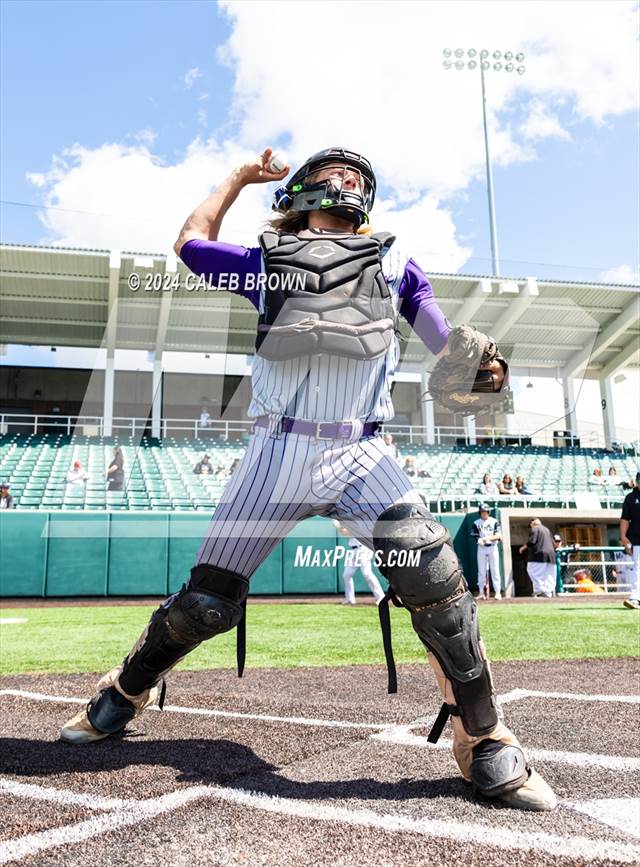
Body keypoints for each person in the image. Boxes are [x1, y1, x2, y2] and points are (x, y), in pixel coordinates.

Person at [60, 145, 554, 811]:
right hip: (275, 450)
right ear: (297, 195)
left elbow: (445, 342)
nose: (347, 179)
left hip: (362, 452)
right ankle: (125, 687)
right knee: (205, 603)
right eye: (332, 172)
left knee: (436, 582)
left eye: (356, 176)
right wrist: (236, 176)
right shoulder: (265, 260)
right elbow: (189, 244)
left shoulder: (394, 261)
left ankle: (482, 734)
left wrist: (477, 367)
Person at [336, 522, 385, 605]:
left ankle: (381, 597)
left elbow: (347, 532)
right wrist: (340, 526)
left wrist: (339, 526)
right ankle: (350, 599)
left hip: (364, 549)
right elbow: (345, 533)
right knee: (347, 575)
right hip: (354, 550)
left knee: (367, 573)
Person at [471, 504, 502, 600]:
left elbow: (499, 536)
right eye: (482, 512)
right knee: (481, 571)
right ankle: (481, 592)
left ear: (488, 512)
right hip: (482, 548)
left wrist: (487, 538)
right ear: (480, 513)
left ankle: (497, 592)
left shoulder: (494, 521)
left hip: (492, 547)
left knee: (495, 570)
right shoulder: (476, 523)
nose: (484, 513)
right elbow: (474, 535)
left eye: (485, 512)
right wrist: (479, 539)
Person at [519, 518, 557, 598]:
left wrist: (523, 547)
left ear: (533, 523)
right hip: (551, 555)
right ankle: (548, 592)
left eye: (531, 524)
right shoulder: (547, 529)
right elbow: (554, 544)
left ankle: (540, 589)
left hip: (539, 554)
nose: (531, 526)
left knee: (531, 569)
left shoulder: (535, 529)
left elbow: (532, 541)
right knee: (548, 574)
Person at [619, 472, 640, 610]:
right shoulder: (631, 498)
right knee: (638, 568)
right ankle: (636, 598)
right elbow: (625, 518)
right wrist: (623, 537)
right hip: (638, 539)